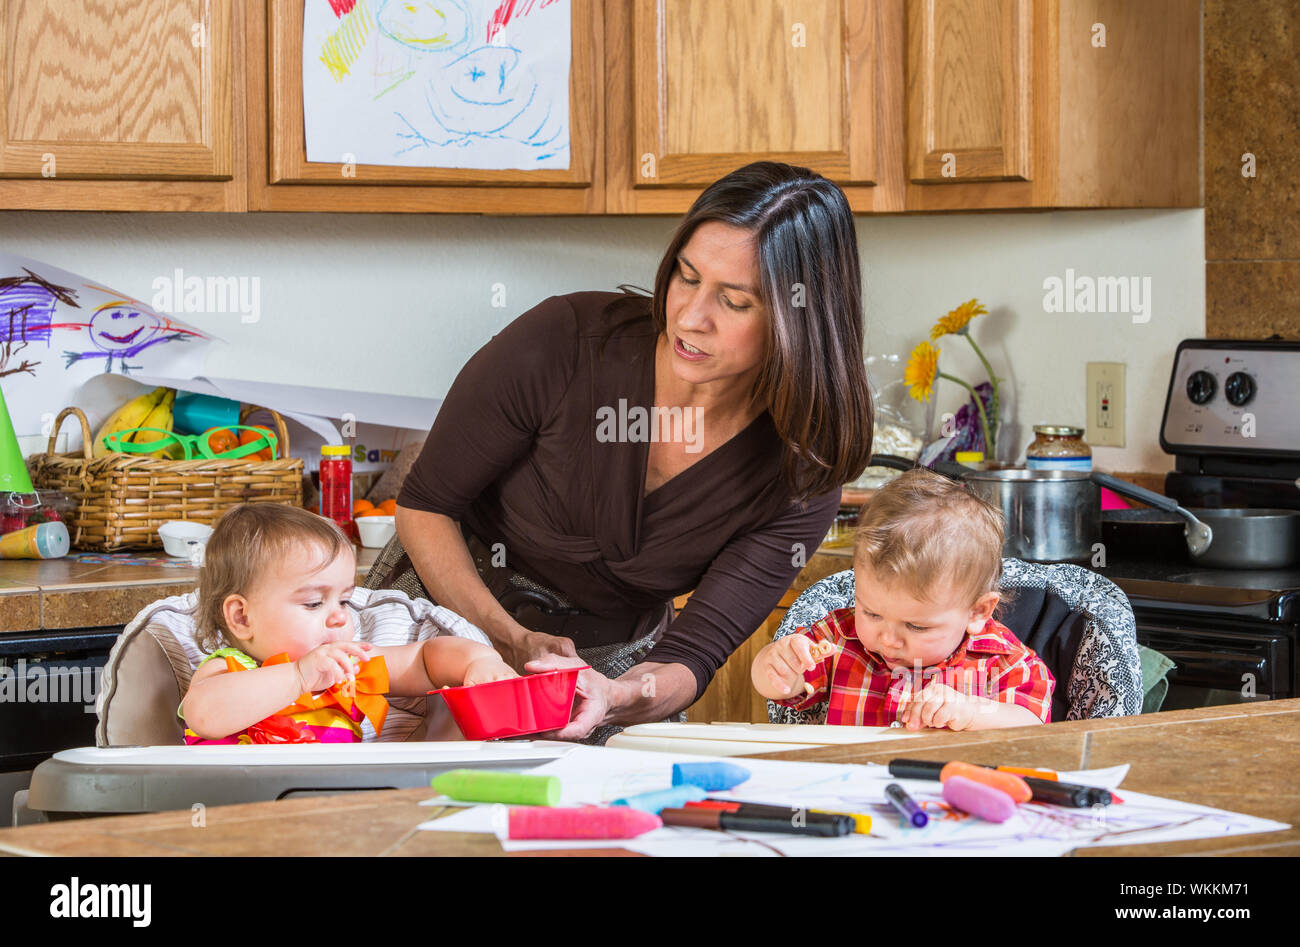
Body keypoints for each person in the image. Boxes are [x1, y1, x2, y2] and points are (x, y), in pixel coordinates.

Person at [379, 161, 875, 743]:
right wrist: (506, 637)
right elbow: (426, 505)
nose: (691, 316)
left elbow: (691, 657)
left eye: (735, 302)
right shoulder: (565, 341)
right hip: (439, 626)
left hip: (612, 670)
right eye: (686, 277)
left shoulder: (800, 474)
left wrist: (614, 697)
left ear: (801, 319)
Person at [180, 503, 515, 743]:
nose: (341, 616)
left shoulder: (348, 668)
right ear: (241, 617)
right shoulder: (228, 670)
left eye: (343, 600)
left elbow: (426, 660)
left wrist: (478, 660)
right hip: (243, 818)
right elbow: (206, 716)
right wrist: (299, 676)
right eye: (313, 602)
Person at [752, 468, 1055, 731]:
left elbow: (1033, 724)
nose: (889, 639)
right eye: (871, 613)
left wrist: (972, 712)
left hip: (951, 794)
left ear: (977, 611)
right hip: (849, 790)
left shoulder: (1002, 663)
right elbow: (777, 688)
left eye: (915, 626)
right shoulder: (838, 638)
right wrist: (778, 665)